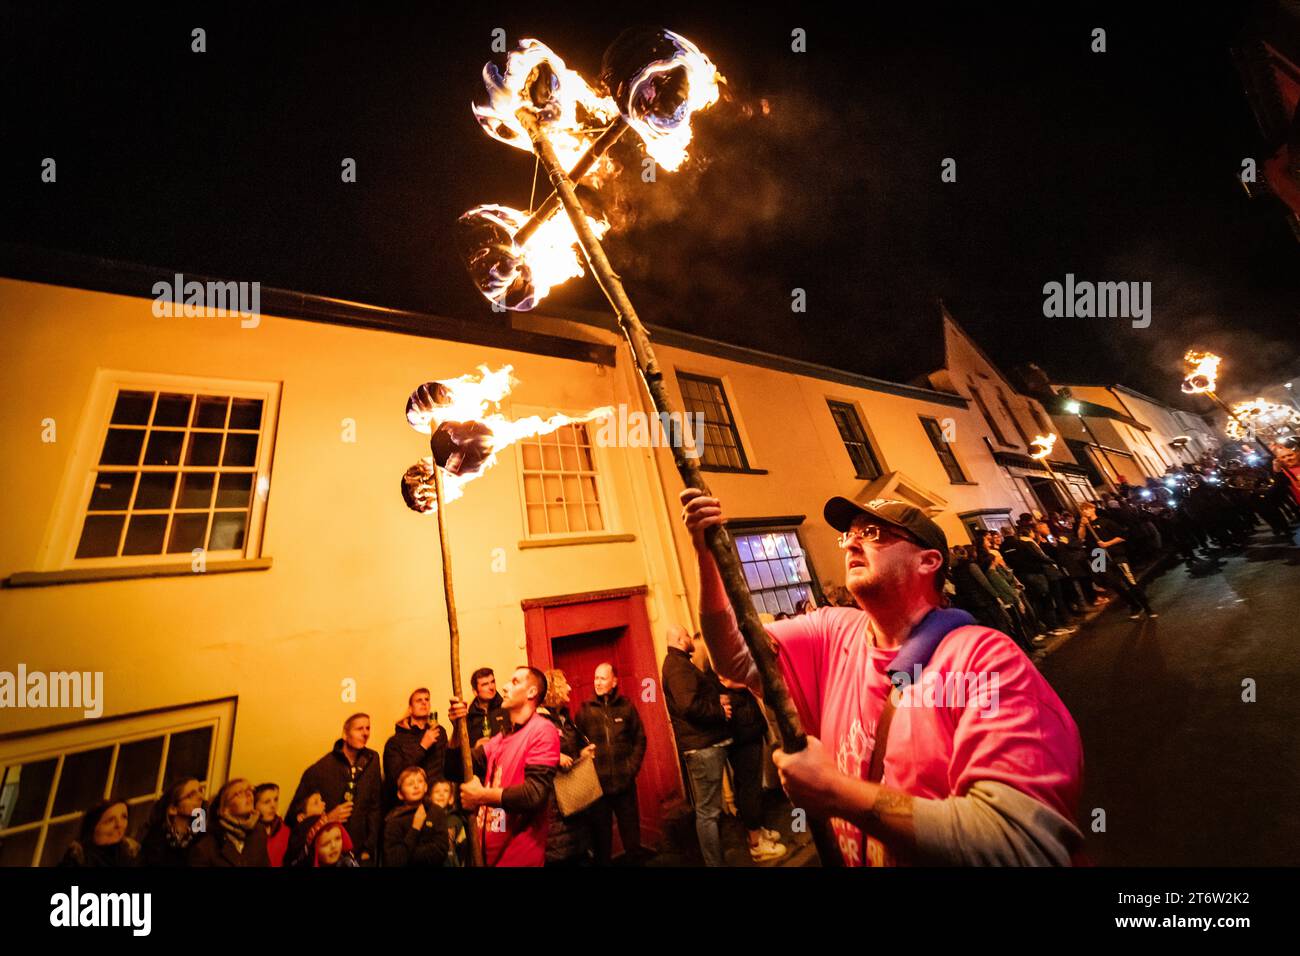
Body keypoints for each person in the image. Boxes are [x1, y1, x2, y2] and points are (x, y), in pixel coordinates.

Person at [680, 489, 1085, 866]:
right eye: (850, 536)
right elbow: (733, 659)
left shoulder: (983, 659)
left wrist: (835, 792)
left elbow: (1022, 844)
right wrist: (707, 556)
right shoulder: (832, 630)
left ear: (928, 561)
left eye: (873, 533)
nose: (852, 543)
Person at [451, 666, 561, 867]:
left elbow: (534, 794)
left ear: (531, 692)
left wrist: (481, 796)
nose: (504, 686)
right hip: (494, 849)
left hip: (520, 853)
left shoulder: (542, 730)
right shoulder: (502, 738)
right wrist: (458, 727)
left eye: (515, 682)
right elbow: (453, 768)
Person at [661, 624, 733, 867]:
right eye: (689, 636)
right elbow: (689, 705)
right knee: (708, 814)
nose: (692, 639)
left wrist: (715, 699)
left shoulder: (679, 664)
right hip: (703, 748)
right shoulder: (678, 667)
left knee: (707, 812)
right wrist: (720, 712)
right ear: (682, 639)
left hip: (704, 745)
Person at [575, 662, 647, 865]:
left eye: (603, 678)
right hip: (598, 790)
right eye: (596, 678)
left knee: (632, 840)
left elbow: (640, 738)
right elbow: (577, 745)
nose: (597, 682)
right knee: (601, 844)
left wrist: (631, 768)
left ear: (614, 681)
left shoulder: (627, 707)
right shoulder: (585, 710)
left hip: (625, 785)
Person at [286, 713, 382, 864]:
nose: (365, 733)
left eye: (368, 728)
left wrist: (369, 848)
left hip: (362, 854)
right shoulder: (319, 770)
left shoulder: (372, 759)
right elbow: (293, 819)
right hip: (331, 854)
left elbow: (375, 806)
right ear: (345, 734)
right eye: (359, 729)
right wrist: (327, 819)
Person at [720, 674, 787, 862]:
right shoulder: (715, 661)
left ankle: (756, 831)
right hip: (744, 735)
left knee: (748, 786)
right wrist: (748, 681)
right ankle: (756, 843)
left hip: (746, 732)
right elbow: (728, 681)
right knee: (750, 788)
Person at [541, 669, 595, 866]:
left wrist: (582, 754)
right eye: (564, 684)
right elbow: (529, 754)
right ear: (553, 690)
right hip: (556, 805)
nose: (570, 687)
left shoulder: (565, 717)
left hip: (574, 798)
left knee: (579, 852)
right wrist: (554, 757)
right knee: (562, 857)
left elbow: (569, 751)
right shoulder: (539, 721)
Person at [1077, 501, 1157, 620]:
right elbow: (1080, 537)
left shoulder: (1105, 521)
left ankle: (1147, 607)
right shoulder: (1084, 525)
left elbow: (1122, 536)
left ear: (1093, 509)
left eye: (1087, 509)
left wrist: (1107, 543)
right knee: (1113, 584)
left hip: (1115, 554)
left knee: (1130, 582)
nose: (1085, 512)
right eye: (1083, 510)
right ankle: (1134, 605)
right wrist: (1082, 525)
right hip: (1098, 556)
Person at [383, 687, 449, 809]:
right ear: (410, 708)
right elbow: (395, 777)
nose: (424, 702)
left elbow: (447, 767)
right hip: (410, 807)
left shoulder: (440, 732)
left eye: (427, 699)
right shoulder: (395, 742)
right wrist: (422, 747)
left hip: (438, 802)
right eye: (419, 700)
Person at [189, 778, 270, 866]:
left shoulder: (259, 832)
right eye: (239, 793)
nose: (248, 794)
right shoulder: (207, 847)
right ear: (224, 809)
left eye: (249, 789)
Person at [382, 767, 450, 867]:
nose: (416, 786)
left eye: (420, 781)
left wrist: (409, 854)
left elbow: (440, 851)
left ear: (426, 787)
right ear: (400, 794)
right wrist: (415, 828)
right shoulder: (393, 820)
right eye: (410, 783)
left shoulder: (436, 812)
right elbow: (394, 860)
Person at [138, 777, 203, 866]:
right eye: (191, 795)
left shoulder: (202, 837)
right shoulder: (154, 840)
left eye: (200, 790)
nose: (201, 797)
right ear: (173, 809)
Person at [59, 800, 140, 867]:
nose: (119, 825)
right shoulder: (78, 856)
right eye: (110, 820)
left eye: (124, 817)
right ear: (93, 827)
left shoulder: (130, 849)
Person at [463, 668, 509, 749]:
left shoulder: (507, 708)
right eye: (485, 684)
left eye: (492, 682)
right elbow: (464, 753)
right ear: (475, 691)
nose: (491, 687)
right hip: (481, 759)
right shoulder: (469, 718)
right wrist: (475, 748)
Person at [431, 779, 469, 866]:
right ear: (430, 797)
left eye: (445, 791)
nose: (441, 794)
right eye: (437, 791)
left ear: (451, 798)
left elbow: (463, 846)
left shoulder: (455, 820)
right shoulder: (426, 820)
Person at [254, 783, 290, 867]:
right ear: (254, 806)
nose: (273, 805)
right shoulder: (248, 832)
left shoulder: (285, 831)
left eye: (276, 800)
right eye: (266, 802)